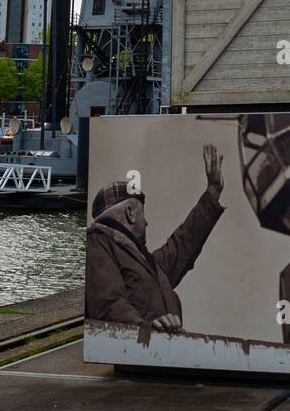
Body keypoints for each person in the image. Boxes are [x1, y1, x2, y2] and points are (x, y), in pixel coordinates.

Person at [85, 142, 225, 337]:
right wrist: (148, 331)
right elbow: (109, 305)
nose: (147, 222)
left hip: (159, 356)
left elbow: (182, 245)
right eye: (143, 213)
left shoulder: (145, 263)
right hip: (142, 356)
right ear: (130, 213)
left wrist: (213, 192)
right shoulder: (98, 243)